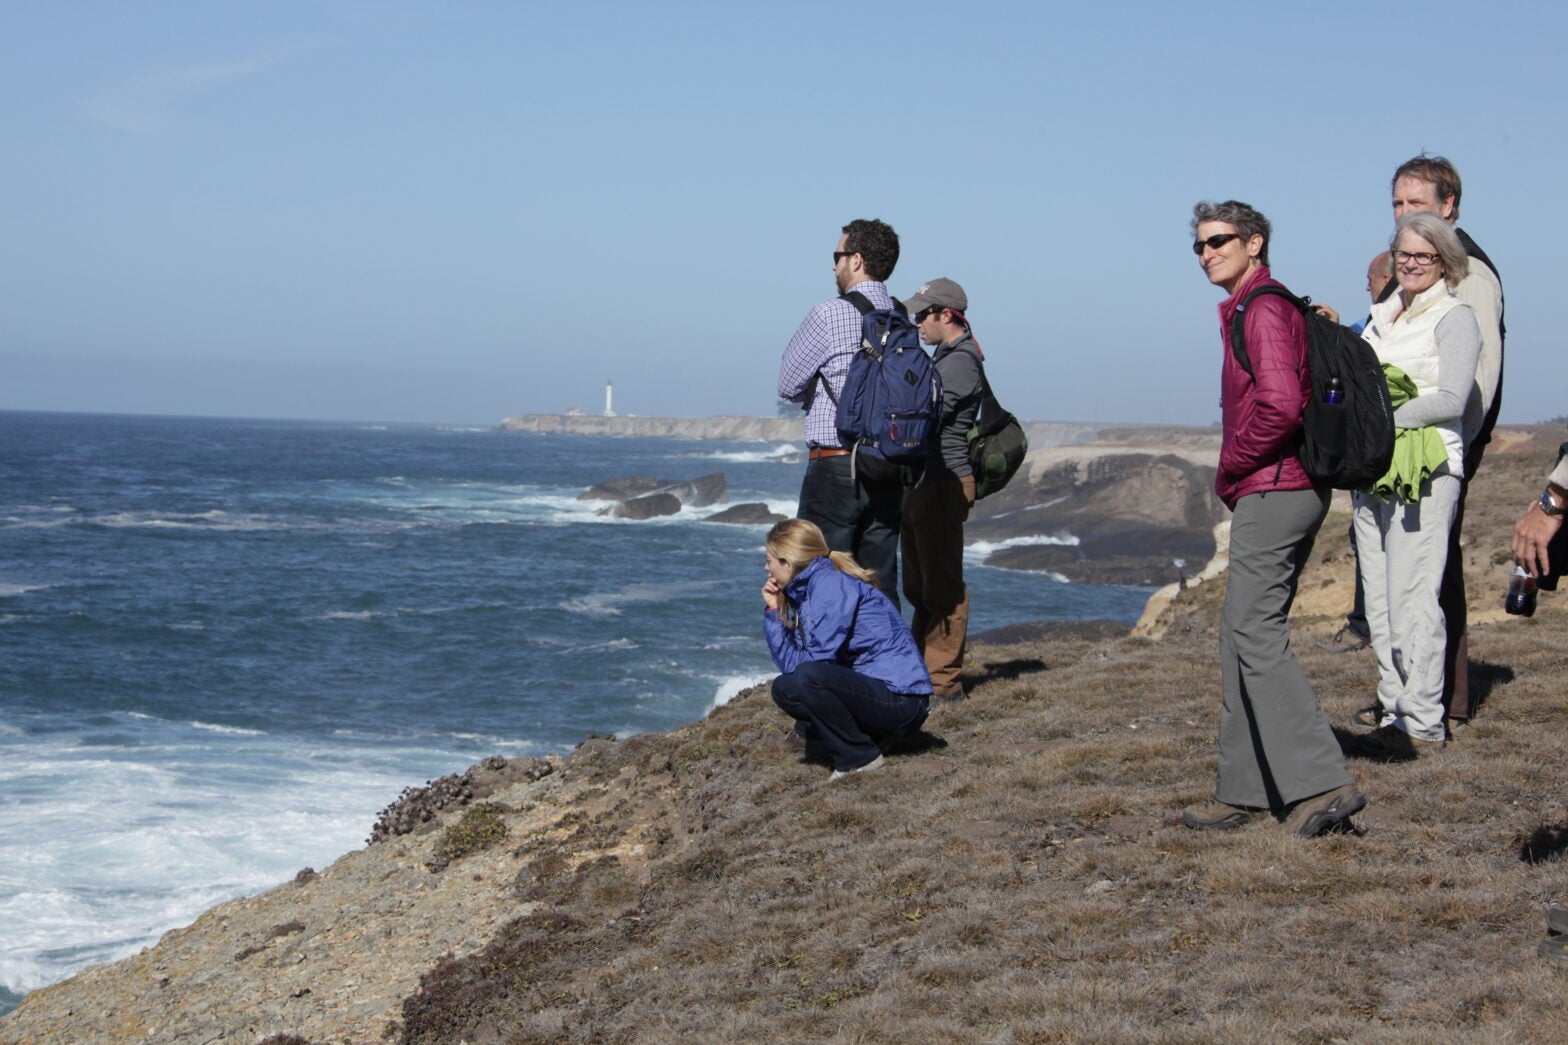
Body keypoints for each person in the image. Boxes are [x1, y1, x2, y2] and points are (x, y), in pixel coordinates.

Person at [1181, 200, 1365, 837]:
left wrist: (1232, 463)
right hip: (1281, 485)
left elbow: (1282, 405)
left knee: (1255, 633)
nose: (1207, 253)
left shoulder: (1261, 307)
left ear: (1254, 242)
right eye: (1199, 245)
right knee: (1240, 634)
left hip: (1278, 486)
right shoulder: (1252, 307)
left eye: (1219, 241)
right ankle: (1244, 788)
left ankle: (1321, 784)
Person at [1349, 212, 1481, 760]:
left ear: (1444, 261)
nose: (1412, 263)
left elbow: (1452, 398)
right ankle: (1393, 710)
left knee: (1414, 595)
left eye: (1424, 255)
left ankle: (1423, 722)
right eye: (1404, 254)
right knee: (1380, 599)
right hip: (1373, 468)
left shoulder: (1455, 317)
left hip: (1426, 468)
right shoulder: (1381, 316)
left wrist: (1383, 420)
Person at [778, 219, 907, 607]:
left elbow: (787, 385)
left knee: (819, 580)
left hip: (836, 465)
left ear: (856, 260)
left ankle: (823, 650)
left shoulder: (829, 314)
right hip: (889, 465)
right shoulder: (903, 317)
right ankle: (885, 648)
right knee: (879, 583)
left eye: (838, 256)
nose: (833, 265)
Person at [763, 518, 931, 780]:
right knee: (785, 688)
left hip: (903, 701)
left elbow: (815, 664)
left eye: (769, 561)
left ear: (788, 562)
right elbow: (793, 668)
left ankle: (859, 758)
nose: (767, 568)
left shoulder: (831, 587)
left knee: (809, 677)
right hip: (880, 694)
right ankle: (858, 739)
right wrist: (774, 610)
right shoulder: (810, 590)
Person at [899, 277, 982, 703]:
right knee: (921, 589)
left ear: (946, 315)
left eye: (923, 314)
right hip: (923, 481)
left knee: (944, 589)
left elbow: (927, 411)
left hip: (943, 482)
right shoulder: (945, 357)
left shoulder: (961, 361)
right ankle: (923, 674)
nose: (917, 323)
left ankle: (944, 685)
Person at [1326, 250, 1397, 655]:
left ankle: (1366, 626)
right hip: (1371, 448)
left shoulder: (1392, 320)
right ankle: (1365, 623)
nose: (1366, 286)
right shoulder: (1375, 320)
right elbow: (1357, 343)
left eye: (1370, 279)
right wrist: (1336, 330)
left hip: (1380, 449)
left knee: (1376, 540)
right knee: (1365, 538)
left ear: (1386, 279)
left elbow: (1364, 359)